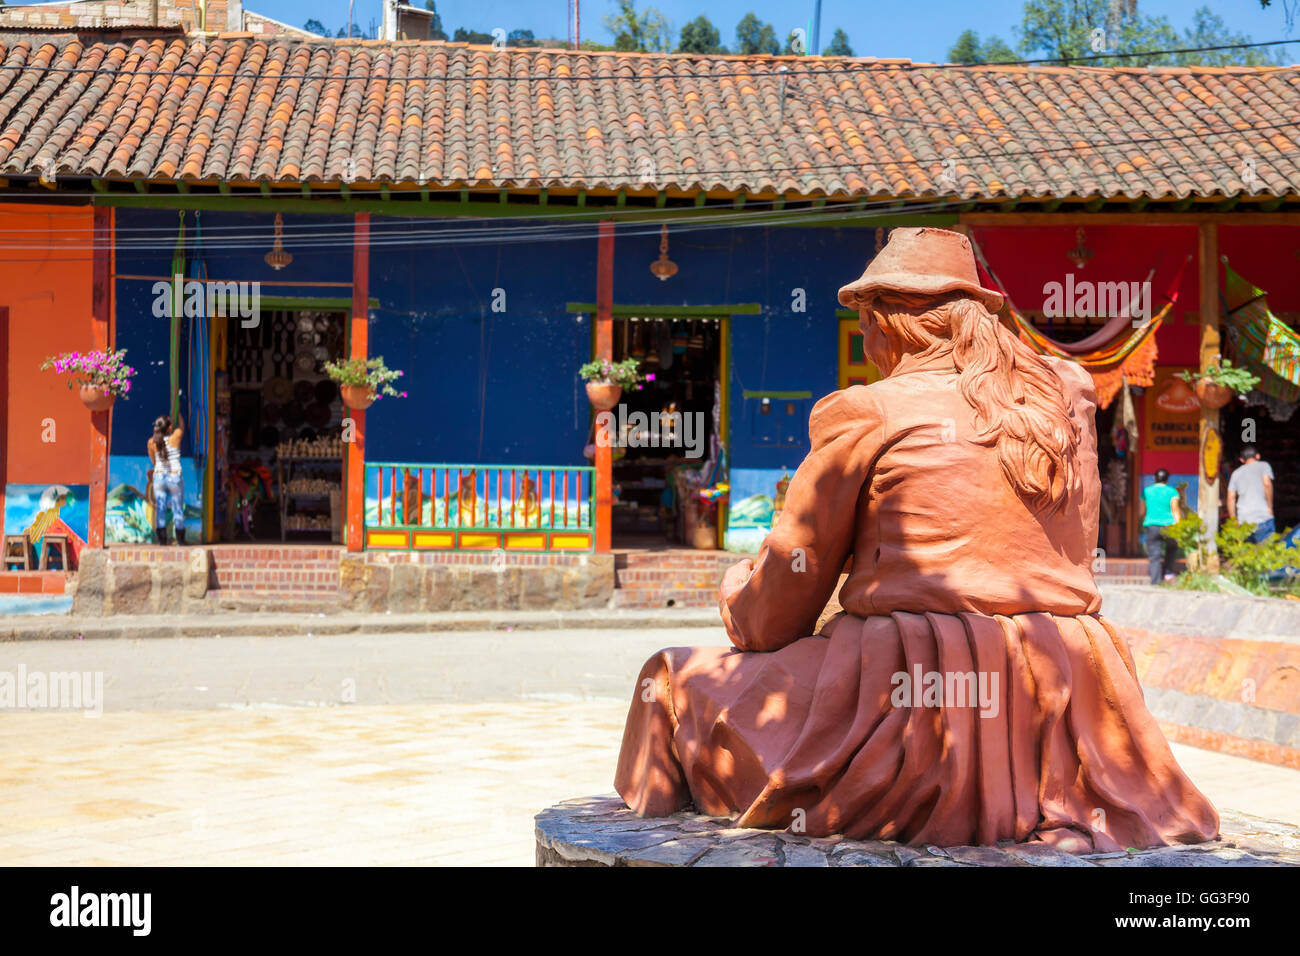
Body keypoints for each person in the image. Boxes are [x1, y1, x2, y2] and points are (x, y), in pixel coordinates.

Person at [614, 227, 1218, 853]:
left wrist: (738, 589)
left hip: (906, 717)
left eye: (866, 324)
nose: (867, 342)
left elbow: (773, 617)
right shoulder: (1063, 406)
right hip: (1072, 718)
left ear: (885, 324)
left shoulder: (868, 410)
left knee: (665, 681)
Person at [147, 414, 186, 545]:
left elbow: (153, 460)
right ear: (169, 428)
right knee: (177, 509)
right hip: (174, 476)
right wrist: (177, 412)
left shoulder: (151, 442)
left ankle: (162, 541)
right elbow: (182, 426)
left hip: (159, 476)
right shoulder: (176, 437)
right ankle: (180, 540)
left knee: (161, 508)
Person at [1140, 469, 1182, 584]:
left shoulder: (1146, 491)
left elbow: (1142, 511)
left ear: (1154, 478)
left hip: (1151, 525)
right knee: (1172, 548)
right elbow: (1175, 510)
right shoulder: (1172, 491)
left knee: (1154, 555)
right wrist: (1178, 527)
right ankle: (1168, 573)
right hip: (1169, 525)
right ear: (1167, 479)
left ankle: (1155, 582)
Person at [1228, 445, 1275, 543]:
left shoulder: (1235, 473)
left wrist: (1233, 519)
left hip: (1244, 520)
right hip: (1262, 517)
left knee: (1248, 554)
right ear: (1257, 456)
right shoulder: (1264, 465)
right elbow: (1267, 484)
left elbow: (1231, 497)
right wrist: (1270, 507)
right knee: (1265, 553)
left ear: (1241, 460)